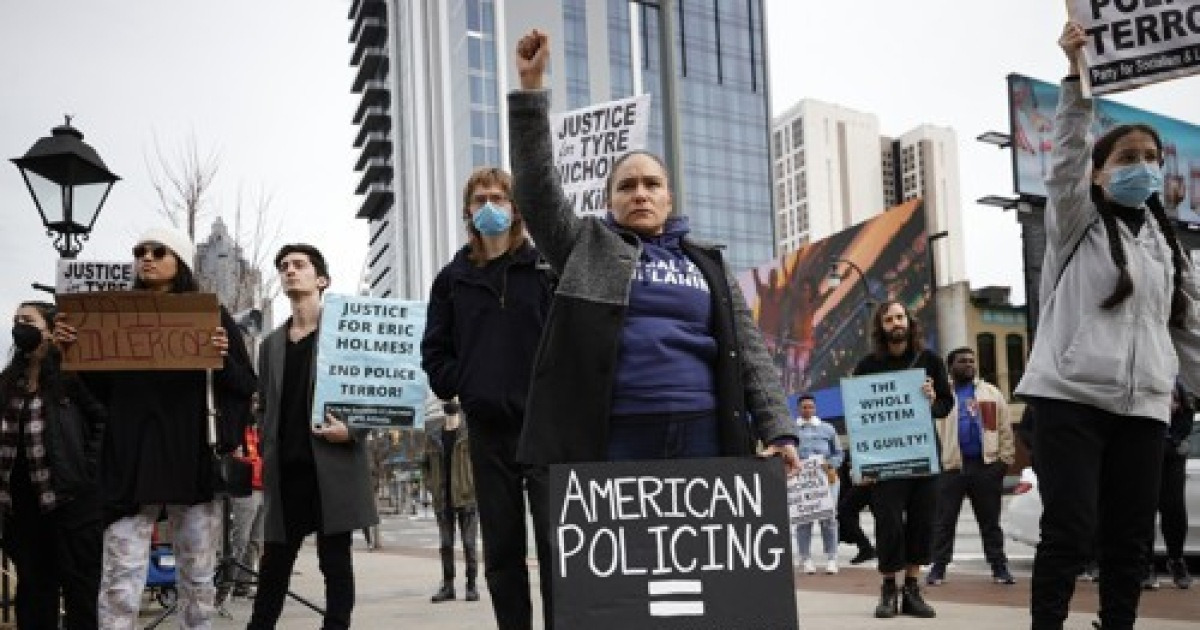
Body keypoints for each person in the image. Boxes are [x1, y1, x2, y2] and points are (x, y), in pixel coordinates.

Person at [508, 28, 799, 467]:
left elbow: (751, 352)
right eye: (627, 186)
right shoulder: (586, 246)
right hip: (618, 432)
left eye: (651, 184)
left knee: (701, 540)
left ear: (669, 198)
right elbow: (534, 190)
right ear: (609, 202)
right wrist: (532, 91)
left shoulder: (709, 263)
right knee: (626, 541)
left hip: (705, 428)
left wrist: (779, 430)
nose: (640, 193)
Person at [1014, 23, 1200, 630]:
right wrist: (1076, 74)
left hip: (1145, 408)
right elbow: (1065, 157)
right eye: (1127, 158)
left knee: (1129, 537)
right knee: (1069, 529)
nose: (1142, 167)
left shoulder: (1169, 251)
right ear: (1099, 175)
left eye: (1151, 158)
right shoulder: (1076, 226)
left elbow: (1190, 332)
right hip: (1070, 399)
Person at [54, 226, 257, 629]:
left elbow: (245, 385)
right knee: (118, 581)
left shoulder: (209, 315)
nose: (145, 257)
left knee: (198, 581)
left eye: (157, 250)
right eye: (139, 250)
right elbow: (98, 391)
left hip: (191, 457)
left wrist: (222, 358)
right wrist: (72, 354)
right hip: (131, 460)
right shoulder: (113, 317)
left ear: (178, 260)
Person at [421, 166, 556, 630]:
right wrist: (467, 382)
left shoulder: (543, 269)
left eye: (499, 198)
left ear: (516, 208)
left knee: (558, 547)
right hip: (488, 432)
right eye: (480, 200)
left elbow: (569, 340)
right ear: (468, 211)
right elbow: (434, 351)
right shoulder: (451, 279)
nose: (490, 207)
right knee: (502, 551)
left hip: (545, 428)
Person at [248, 244, 379, 630]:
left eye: (299, 265)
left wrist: (353, 431)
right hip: (285, 475)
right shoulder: (270, 344)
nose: (290, 270)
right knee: (273, 567)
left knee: (335, 564)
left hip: (332, 470)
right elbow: (264, 405)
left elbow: (373, 394)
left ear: (321, 280)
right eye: (284, 266)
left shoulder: (346, 332)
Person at [0, 300, 104, 628]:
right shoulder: (6, 383)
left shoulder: (72, 377)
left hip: (69, 505)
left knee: (80, 593)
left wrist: (86, 471)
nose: (20, 326)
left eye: (28, 320)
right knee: (33, 593)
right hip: (22, 509)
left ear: (48, 331)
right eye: (16, 320)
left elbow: (102, 421)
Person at [852, 300, 953, 619]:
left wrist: (933, 399)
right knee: (889, 523)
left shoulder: (931, 361)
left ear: (909, 322)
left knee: (923, 522)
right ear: (880, 328)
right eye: (888, 319)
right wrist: (863, 464)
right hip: (885, 463)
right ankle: (887, 590)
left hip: (923, 457)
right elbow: (859, 417)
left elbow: (946, 406)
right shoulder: (867, 366)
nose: (895, 323)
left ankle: (911, 589)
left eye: (900, 317)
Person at [928, 347, 1016, 586]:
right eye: (962, 361)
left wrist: (1003, 462)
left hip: (985, 466)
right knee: (944, 521)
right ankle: (938, 568)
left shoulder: (991, 393)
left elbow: (1005, 429)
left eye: (971, 361)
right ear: (950, 367)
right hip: (951, 468)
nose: (969, 365)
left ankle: (999, 567)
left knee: (990, 522)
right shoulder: (940, 395)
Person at [422, 400, 479, 603]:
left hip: (467, 497)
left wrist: (473, 485)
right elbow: (425, 466)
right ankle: (448, 586)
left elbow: (479, 463)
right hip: (443, 498)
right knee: (446, 544)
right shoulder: (433, 436)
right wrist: (432, 486)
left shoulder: (468, 433)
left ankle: (471, 585)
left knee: (469, 544)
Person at [1143, 383, 1194, 590]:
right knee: (1144, 510)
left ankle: (1176, 560)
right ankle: (1145, 565)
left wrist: (1174, 440)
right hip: (1143, 454)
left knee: (1174, 509)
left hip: (1170, 455)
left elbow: (1187, 416)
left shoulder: (1176, 383)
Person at [793, 394, 843, 575]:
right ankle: (805, 558)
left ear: (815, 408)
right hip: (802, 482)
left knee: (828, 518)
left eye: (810, 407)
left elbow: (838, 453)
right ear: (798, 409)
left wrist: (830, 464)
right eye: (804, 407)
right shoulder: (791, 429)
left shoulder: (827, 429)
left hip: (826, 479)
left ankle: (832, 557)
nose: (807, 410)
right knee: (803, 520)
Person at [219, 416, 265, 601]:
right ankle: (226, 584)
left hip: (263, 488)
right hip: (246, 489)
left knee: (256, 541)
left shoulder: (259, 431)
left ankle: (243, 584)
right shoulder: (238, 433)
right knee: (241, 538)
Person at [837, 450, 876, 565]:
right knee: (845, 510)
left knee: (883, 515)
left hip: (883, 474)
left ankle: (876, 548)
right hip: (865, 471)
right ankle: (865, 547)